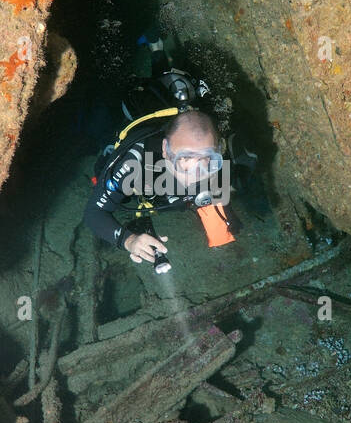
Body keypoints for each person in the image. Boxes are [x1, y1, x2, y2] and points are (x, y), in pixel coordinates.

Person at [83, 31, 246, 264]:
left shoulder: (221, 159)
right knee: (111, 119)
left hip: (170, 113)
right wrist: (129, 240)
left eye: (208, 161)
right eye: (185, 161)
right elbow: (94, 213)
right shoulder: (134, 162)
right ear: (166, 151)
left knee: (169, 86)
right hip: (142, 116)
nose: (196, 175)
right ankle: (133, 55)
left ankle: (156, 48)